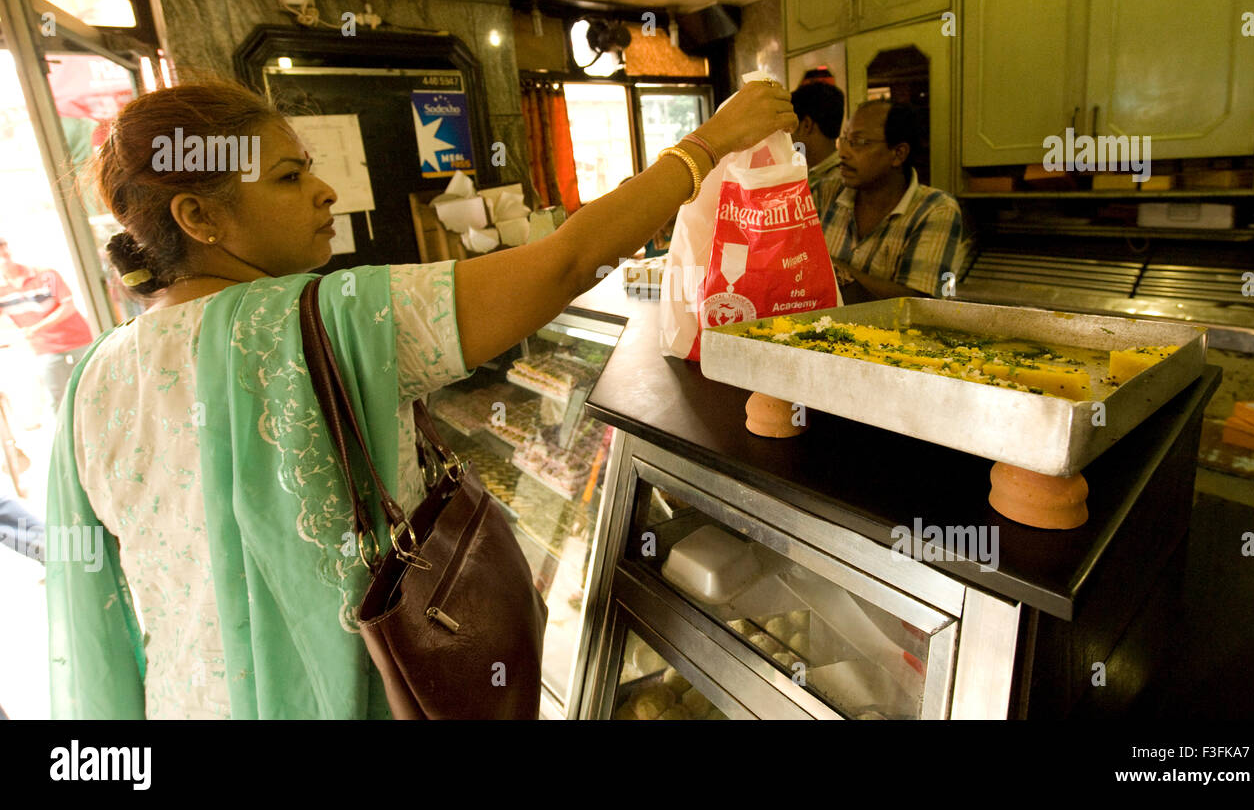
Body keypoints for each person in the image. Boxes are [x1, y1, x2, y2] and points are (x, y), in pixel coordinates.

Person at [45, 77, 794, 719]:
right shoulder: (323, 320)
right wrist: (707, 144)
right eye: (286, 176)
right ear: (199, 218)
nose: (324, 188)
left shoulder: (93, 378)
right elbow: (565, 261)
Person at [812, 99, 965, 300]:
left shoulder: (936, 209)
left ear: (898, 154)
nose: (843, 153)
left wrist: (829, 268)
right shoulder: (823, 193)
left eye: (858, 143)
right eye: (845, 140)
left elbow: (918, 303)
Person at [0, 239, 95, 417]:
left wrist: (35, 328)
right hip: (45, 350)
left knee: (94, 387)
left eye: (3, 251)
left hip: (79, 341)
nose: (3, 257)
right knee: (57, 398)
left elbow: (68, 306)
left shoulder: (45, 274)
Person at [791, 81, 844, 192]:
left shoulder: (838, 182)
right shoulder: (808, 173)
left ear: (806, 125)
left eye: (787, 129)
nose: (787, 138)